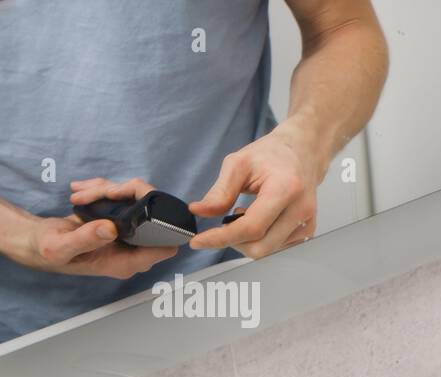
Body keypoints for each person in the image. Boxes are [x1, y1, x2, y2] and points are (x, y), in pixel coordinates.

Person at [0, 0, 388, 343]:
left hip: (233, 285)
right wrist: (18, 235)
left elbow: (342, 26)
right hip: (16, 323)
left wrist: (302, 145)